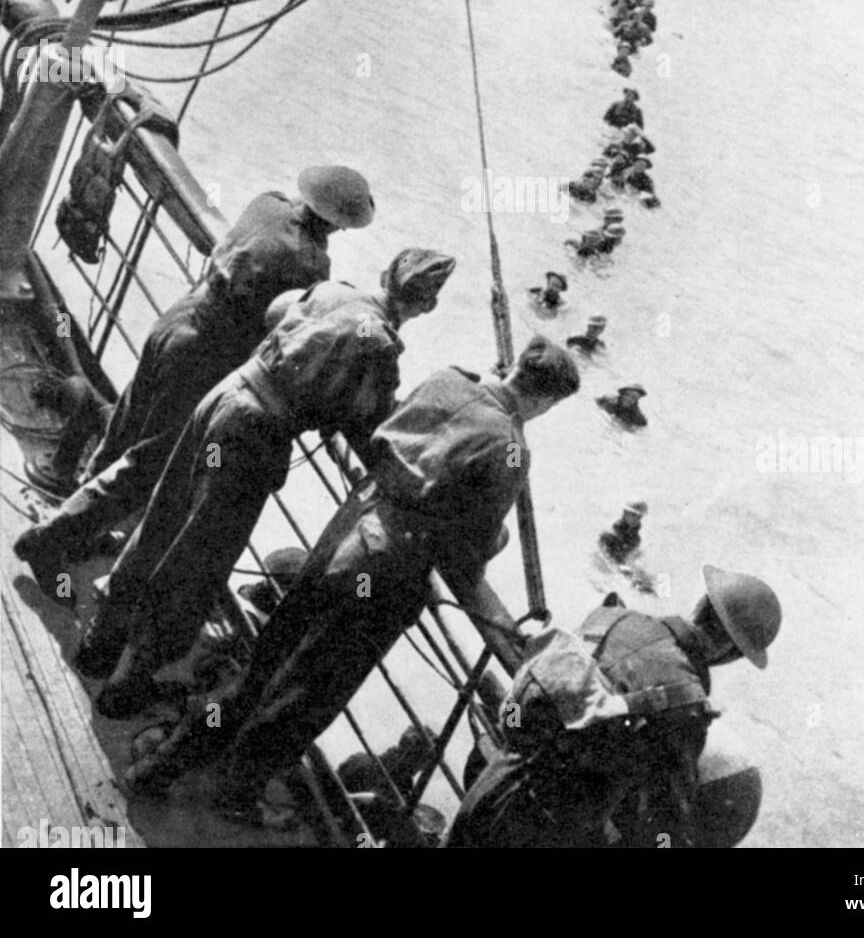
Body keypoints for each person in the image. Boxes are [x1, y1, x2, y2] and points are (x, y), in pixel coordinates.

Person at [124, 337, 582, 811]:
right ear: (547, 400)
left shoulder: (448, 377)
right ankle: (238, 793)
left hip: (349, 528)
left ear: (514, 368)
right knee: (308, 696)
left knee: (264, 665)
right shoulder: (510, 450)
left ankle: (167, 761)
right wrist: (497, 543)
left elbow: (388, 431)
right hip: (389, 573)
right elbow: (471, 551)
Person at [84, 249, 456, 716]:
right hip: (252, 439)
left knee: (164, 518)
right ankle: (124, 687)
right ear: (425, 306)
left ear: (384, 272)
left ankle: (99, 645)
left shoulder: (334, 290)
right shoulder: (381, 345)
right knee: (199, 560)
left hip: (224, 398)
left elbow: (276, 313)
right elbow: (375, 424)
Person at [15, 167, 374, 606]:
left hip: (180, 317)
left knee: (126, 425)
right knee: (152, 461)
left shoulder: (268, 202)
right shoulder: (310, 264)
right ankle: (50, 540)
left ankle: (78, 524)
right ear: (338, 222)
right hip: (205, 355)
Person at [446, 566, 782, 847]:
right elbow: (667, 812)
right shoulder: (686, 704)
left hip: (492, 783)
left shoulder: (613, 616)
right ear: (731, 653)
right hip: (546, 829)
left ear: (700, 604)